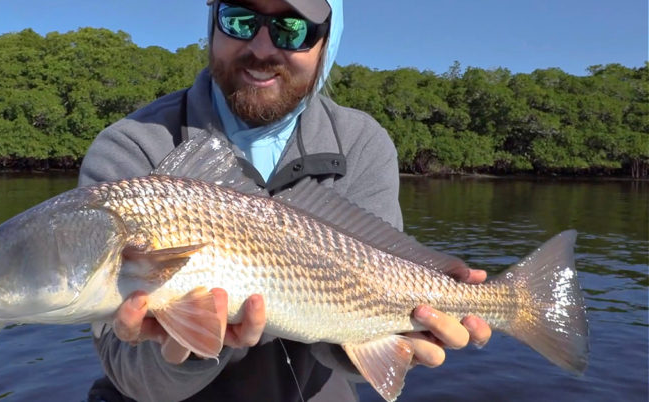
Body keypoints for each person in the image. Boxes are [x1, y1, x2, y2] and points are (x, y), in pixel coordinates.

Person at [79, 0, 492, 401]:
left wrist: (403, 337)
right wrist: (187, 352)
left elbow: (358, 340)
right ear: (212, 21)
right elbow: (127, 367)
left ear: (327, 42)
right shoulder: (131, 146)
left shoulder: (362, 143)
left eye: (292, 29)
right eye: (239, 19)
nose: (261, 48)